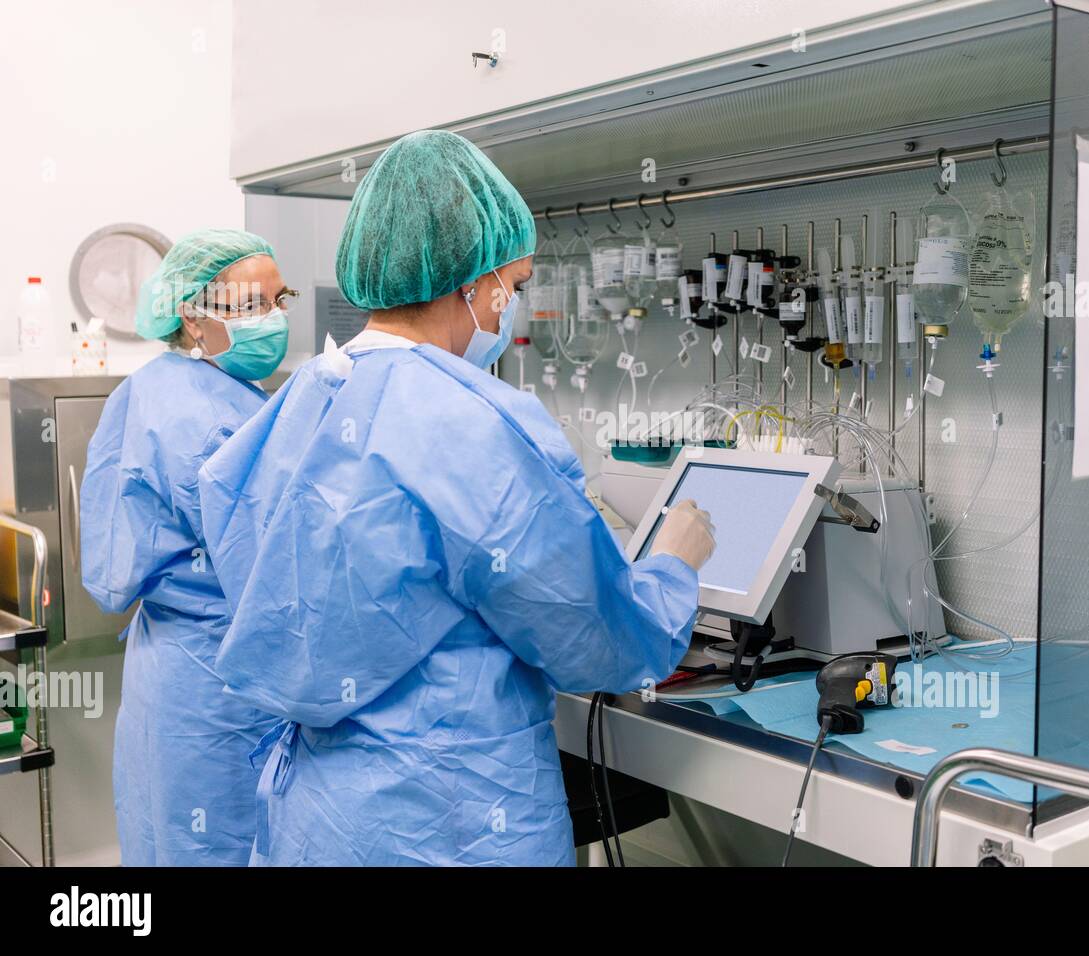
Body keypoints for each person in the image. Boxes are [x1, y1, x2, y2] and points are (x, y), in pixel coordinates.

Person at [197, 130, 715, 866]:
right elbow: (596, 642)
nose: (513, 309)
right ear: (472, 283)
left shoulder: (299, 403)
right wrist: (671, 567)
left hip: (321, 818)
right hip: (447, 818)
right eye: (517, 284)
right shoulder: (471, 424)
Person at [80, 228, 294, 865]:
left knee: (166, 837)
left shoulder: (160, 387)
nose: (274, 320)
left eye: (281, 300)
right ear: (193, 319)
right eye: (252, 307)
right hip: (214, 684)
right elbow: (270, 562)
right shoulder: (197, 415)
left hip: (171, 668)